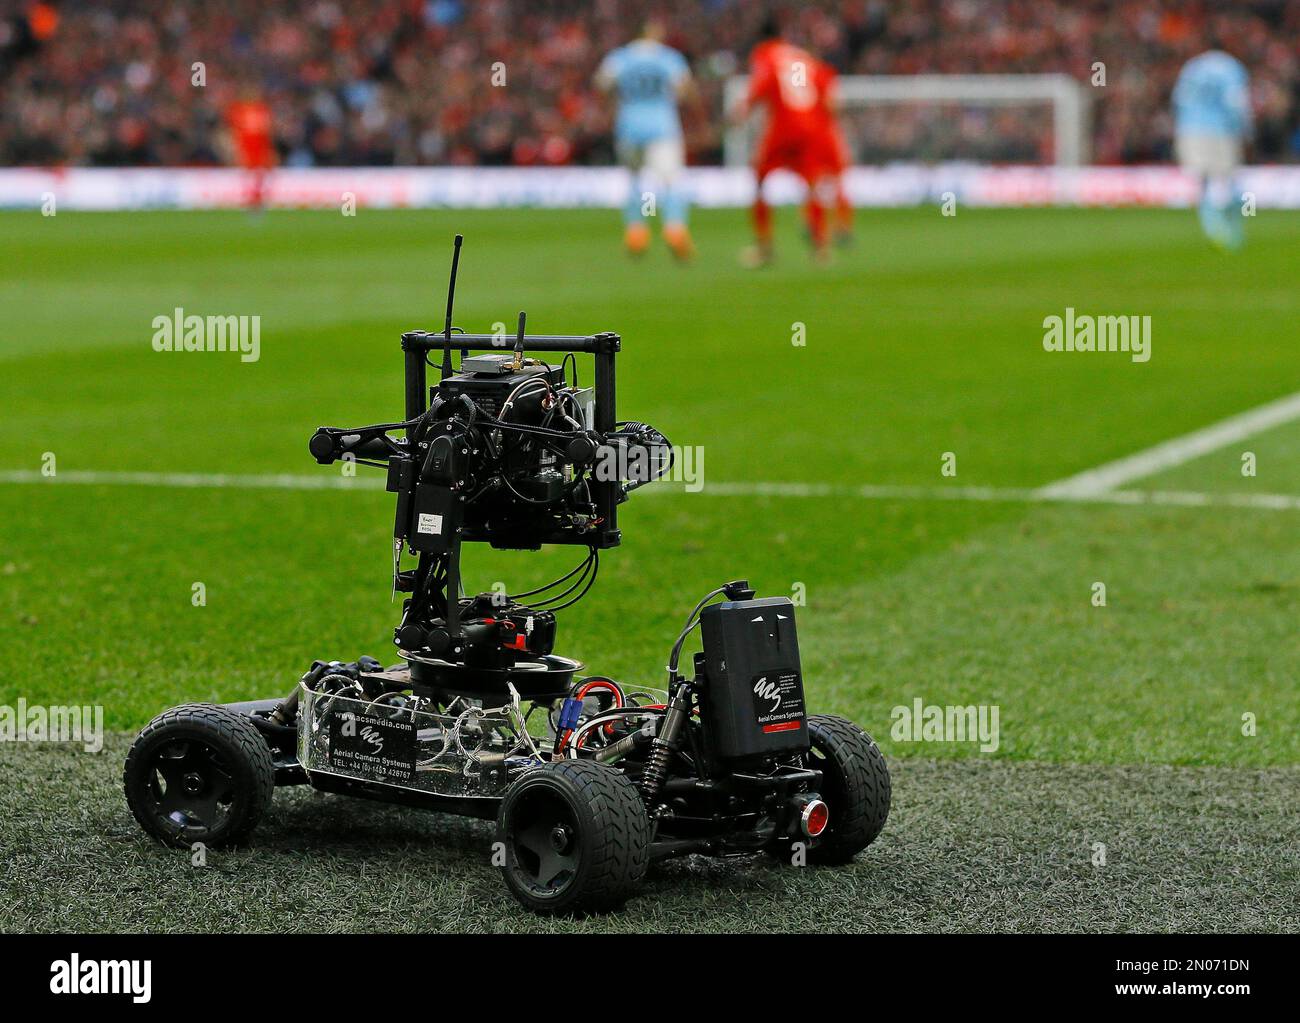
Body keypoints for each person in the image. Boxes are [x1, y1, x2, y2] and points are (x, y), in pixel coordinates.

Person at [732, 14, 840, 266]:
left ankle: (764, 247)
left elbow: (763, 83)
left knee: (760, 179)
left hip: (784, 125)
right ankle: (821, 248)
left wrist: (744, 109)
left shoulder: (765, 53)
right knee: (812, 185)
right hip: (812, 127)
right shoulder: (801, 56)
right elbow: (825, 91)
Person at [595, 18, 696, 261]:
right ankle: (674, 229)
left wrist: (615, 104)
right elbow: (684, 88)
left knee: (634, 179)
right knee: (670, 181)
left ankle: (636, 232)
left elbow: (601, 84)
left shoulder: (620, 58)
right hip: (662, 125)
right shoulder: (669, 58)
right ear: (652, 33)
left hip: (629, 124)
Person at [1172, 44, 1252, 249]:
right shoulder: (1231, 67)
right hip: (1222, 130)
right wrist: (1246, 130)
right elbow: (1237, 103)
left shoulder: (1193, 66)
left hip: (1191, 129)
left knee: (1203, 180)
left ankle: (1211, 225)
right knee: (1229, 178)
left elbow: (1179, 99)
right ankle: (1234, 229)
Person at [225, 85, 275, 213]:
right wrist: (235, 150)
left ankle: (258, 201)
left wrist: (269, 151)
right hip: (245, 149)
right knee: (246, 176)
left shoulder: (262, 109)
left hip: (259, 148)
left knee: (260, 176)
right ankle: (248, 201)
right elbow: (233, 132)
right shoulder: (237, 109)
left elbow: (267, 132)